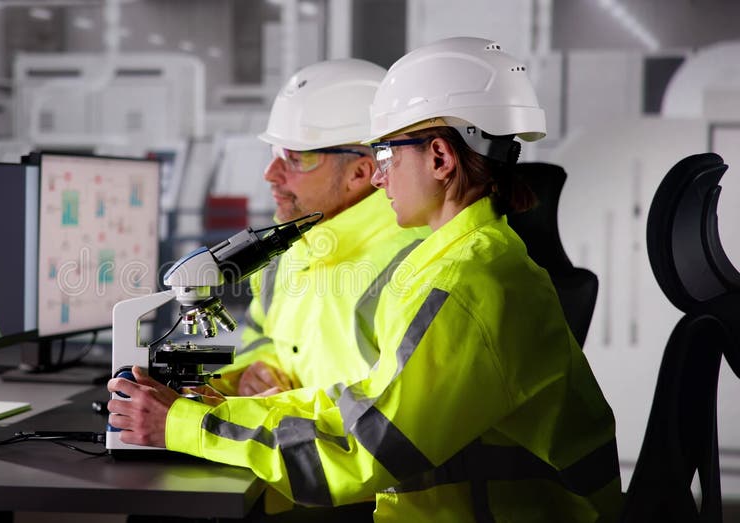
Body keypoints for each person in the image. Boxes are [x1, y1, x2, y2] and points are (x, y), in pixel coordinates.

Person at [109, 37, 622, 522]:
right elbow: (361, 399)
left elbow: (359, 450)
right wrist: (232, 407)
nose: (378, 177)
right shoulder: (459, 260)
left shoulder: (466, 286)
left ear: (440, 157)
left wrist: (186, 426)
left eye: (387, 155)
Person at [208, 58, 429, 398]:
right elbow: (260, 332)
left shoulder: (419, 265)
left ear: (360, 173)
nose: (271, 172)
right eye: (276, 151)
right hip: (283, 446)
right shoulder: (284, 252)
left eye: (297, 158)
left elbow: (385, 426)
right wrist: (254, 368)